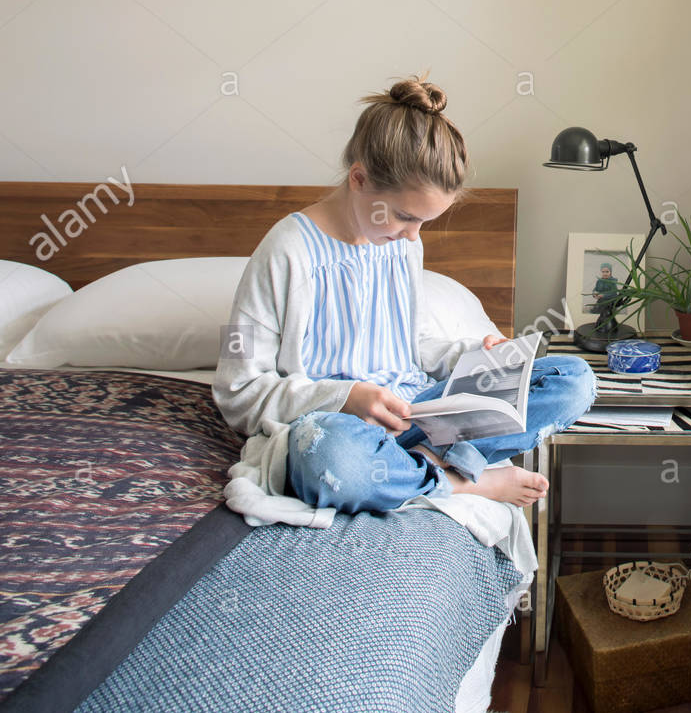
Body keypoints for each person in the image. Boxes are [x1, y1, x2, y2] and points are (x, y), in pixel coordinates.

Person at [213, 73, 595, 516]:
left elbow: (406, 346)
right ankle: (459, 483)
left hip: (415, 414)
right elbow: (236, 391)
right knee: (331, 460)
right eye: (402, 216)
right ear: (358, 179)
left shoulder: (404, 245)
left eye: (423, 224)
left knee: (573, 378)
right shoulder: (285, 250)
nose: (412, 236)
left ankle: (420, 469)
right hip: (336, 428)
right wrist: (346, 397)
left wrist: (474, 356)